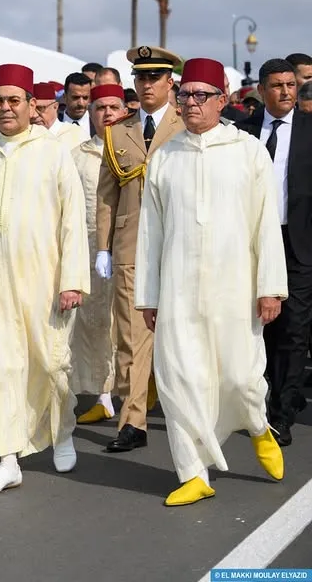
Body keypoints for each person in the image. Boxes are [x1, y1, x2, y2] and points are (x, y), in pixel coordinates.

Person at [136, 58, 286, 506]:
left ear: (223, 100)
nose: (192, 103)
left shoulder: (248, 151)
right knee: (180, 380)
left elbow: (265, 225)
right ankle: (193, 472)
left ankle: (258, 426)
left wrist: (269, 287)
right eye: (185, 96)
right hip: (177, 290)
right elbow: (151, 232)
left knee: (240, 376)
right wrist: (148, 295)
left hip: (234, 287)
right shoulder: (164, 156)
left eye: (202, 96)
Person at [0, 63, 89, 497]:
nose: (7, 108)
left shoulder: (51, 151)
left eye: (15, 100)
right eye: (0, 101)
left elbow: (72, 221)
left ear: (31, 105)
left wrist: (72, 280)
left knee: (50, 365)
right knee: (2, 369)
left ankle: (62, 430)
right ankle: (8, 459)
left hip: (44, 282)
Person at [95, 45, 184, 454]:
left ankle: (187, 413)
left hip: (181, 244)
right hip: (132, 245)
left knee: (184, 335)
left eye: (155, 77)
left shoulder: (188, 126)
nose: (146, 85)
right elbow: (106, 196)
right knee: (131, 337)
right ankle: (133, 422)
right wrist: (103, 247)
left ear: (171, 82)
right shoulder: (118, 131)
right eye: (140, 78)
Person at [236, 58, 312, 446]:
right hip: (249, 244)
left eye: (291, 85)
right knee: (254, 327)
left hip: (298, 245)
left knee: (293, 331)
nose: (286, 92)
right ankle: (254, 405)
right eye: (278, 86)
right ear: (262, 90)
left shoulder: (310, 130)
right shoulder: (241, 132)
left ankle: (282, 414)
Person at [69, 85, 125, 424]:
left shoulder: (140, 152)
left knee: (128, 325)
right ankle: (102, 394)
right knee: (95, 326)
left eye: (113, 106)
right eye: (100, 107)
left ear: (124, 111)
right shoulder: (78, 156)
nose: (106, 113)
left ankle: (133, 390)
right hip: (90, 252)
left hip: (130, 250)